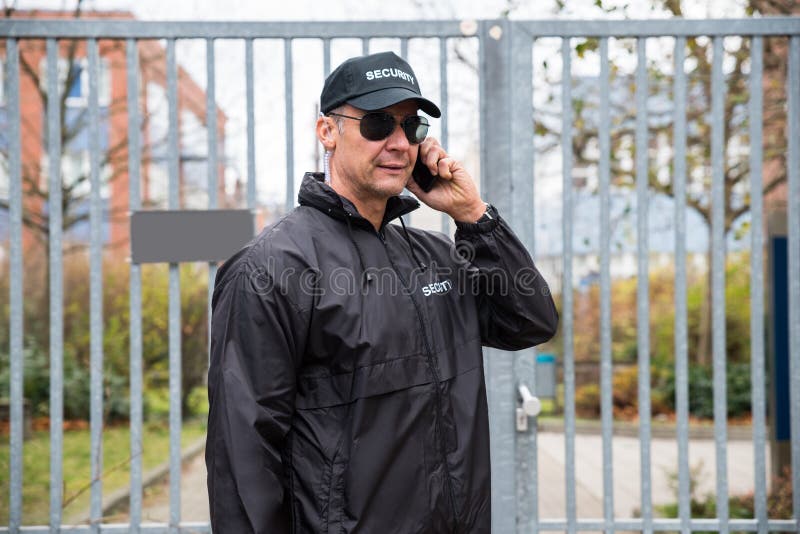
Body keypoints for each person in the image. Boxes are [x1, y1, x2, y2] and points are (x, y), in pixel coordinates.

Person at [205, 50, 558, 534]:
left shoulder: (436, 256)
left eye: (411, 127)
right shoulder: (271, 267)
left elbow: (530, 321)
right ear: (327, 131)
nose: (398, 143)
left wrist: (473, 215)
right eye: (377, 124)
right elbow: (242, 458)